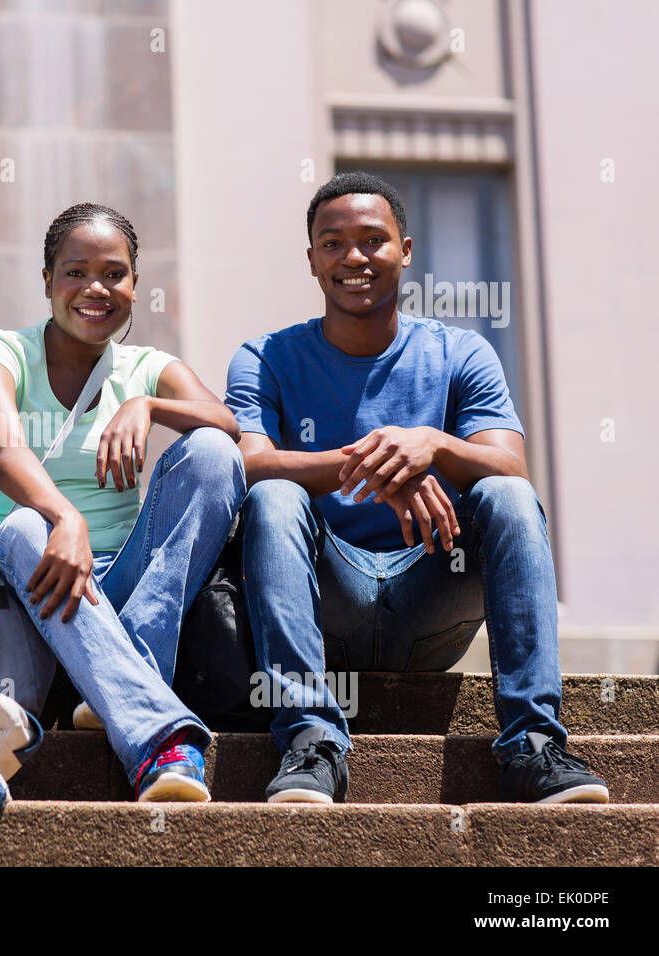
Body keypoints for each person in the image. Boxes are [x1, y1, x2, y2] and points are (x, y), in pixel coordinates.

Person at [226, 171, 609, 805]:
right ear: (312, 260)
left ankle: (533, 747)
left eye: (373, 240)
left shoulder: (461, 352)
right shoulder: (265, 357)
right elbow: (249, 464)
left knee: (508, 497)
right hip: (325, 605)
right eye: (333, 243)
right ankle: (312, 742)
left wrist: (434, 445)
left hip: (433, 594)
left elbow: (510, 465)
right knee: (272, 497)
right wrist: (383, 464)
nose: (353, 257)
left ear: (406, 250)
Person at [0, 202, 245, 802]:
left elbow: (226, 421)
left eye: (114, 273)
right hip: (34, 586)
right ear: (47, 282)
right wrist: (62, 515)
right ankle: (161, 739)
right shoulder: (0, 352)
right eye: (75, 272)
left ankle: (121, 679)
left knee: (214, 454)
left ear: (136, 288)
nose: (96, 288)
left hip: (128, 588)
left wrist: (149, 406)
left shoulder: (146, 367)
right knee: (20, 528)